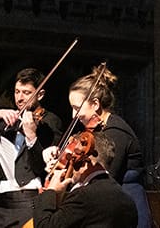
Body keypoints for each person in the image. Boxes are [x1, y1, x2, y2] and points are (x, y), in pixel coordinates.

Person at [50, 64, 152, 228]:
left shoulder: (116, 132)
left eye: (76, 108)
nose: (73, 115)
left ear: (95, 104)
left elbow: (105, 176)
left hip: (126, 207)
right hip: (109, 206)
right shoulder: (95, 131)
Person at [0, 67, 63, 228]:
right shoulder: (9, 119)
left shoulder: (49, 122)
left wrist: (32, 136)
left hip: (27, 201)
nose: (20, 98)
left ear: (40, 95)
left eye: (26, 93)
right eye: (17, 92)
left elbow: (43, 167)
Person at [33, 131, 138, 228]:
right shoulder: (127, 199)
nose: (69, 165)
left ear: (85, 162)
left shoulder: (83, 196)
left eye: (72, 158)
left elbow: (44, 225)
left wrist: (51, 191)